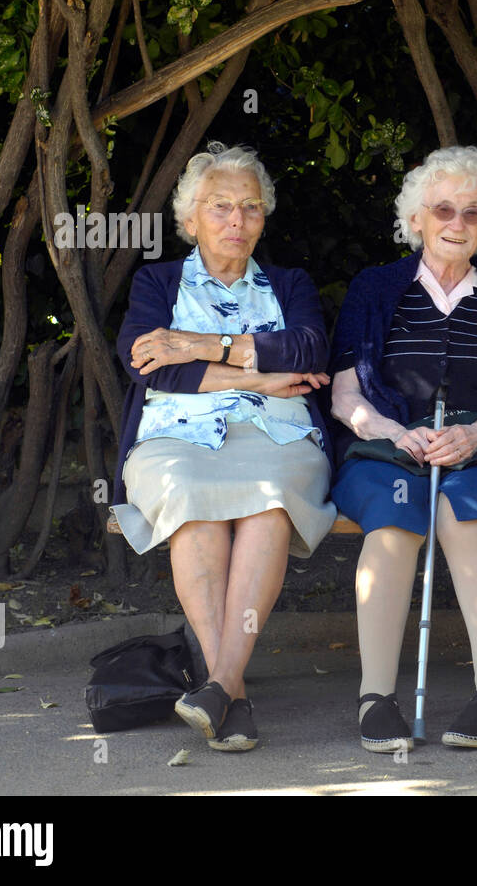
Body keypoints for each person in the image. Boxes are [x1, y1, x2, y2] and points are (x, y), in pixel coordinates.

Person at [111, 142, 337, 752]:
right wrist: (259, 374)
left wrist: (201, 345)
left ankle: (221, 690)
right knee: (190, 501)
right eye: (220, 208)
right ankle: (228, 690)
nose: (236, 221)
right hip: (176, 437)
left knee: (270, 499)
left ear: (263, 219)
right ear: (190, 220)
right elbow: (150, 367)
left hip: (278, 434)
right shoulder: (156, 281)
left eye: (250, 208)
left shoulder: (289, 284)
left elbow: (311, 351)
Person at [329, 145, 477, 753]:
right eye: (442, 209)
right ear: (416, 219)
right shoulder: (375, 290)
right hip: (388, 445)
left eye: (472, 212)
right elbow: (346, 395)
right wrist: (394, 432)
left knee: (463, 511)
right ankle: (376, 696)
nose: (457, 222)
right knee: (396, 517)